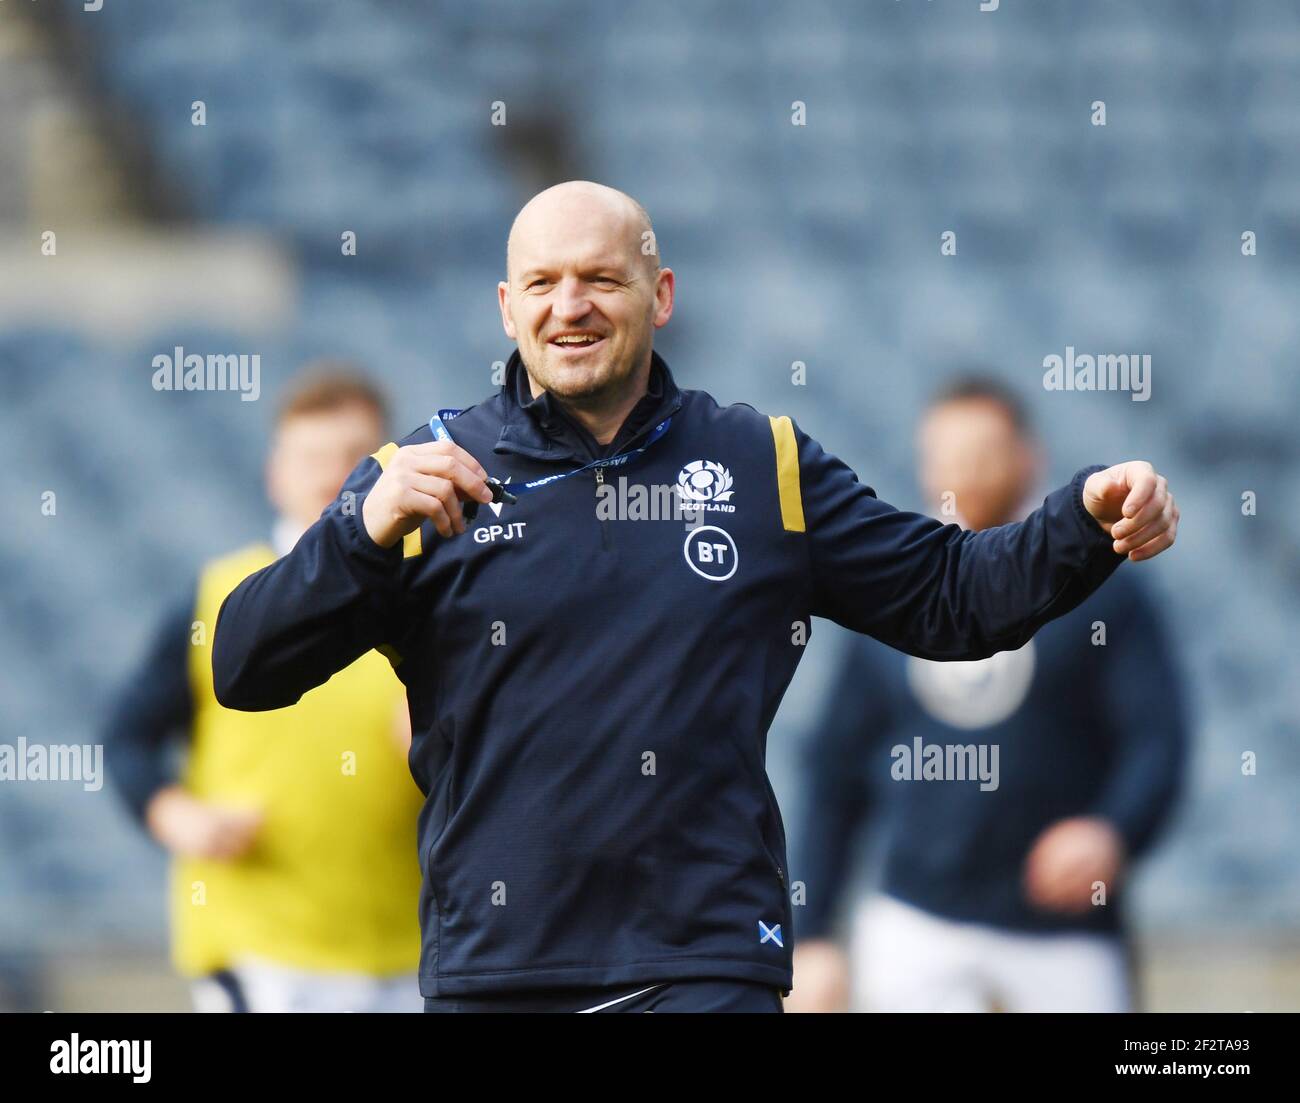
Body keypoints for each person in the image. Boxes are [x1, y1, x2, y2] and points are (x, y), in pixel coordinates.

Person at [212, 181, 1180, 1014]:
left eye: (600, 277)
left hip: (703, 961)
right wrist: (358, 532)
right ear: (506, 307)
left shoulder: (763, 465)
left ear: (659, 293)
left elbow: (951, 597)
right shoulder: (418, 474)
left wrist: (1085, 517)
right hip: (495, 966)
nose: (570, 307)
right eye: (543, 284)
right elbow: (245, 666)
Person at [787, 377, 1188, 1013]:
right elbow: (835, 773)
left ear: (1030, 457)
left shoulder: (1101, 588)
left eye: (982, 452)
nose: (963, 472)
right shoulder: (895, 586)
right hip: (919, 922)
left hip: (1063, 935)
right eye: (946, 455)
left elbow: (1157, 739)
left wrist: (1113, 832)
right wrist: (811, 938)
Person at [104, 369, 425, 1012]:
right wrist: (180, 816)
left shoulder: (426, 591)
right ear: (275, 471)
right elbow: (128, 738)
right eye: (310, 456)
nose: (330, 475)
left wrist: (442, 733)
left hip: (405, 953)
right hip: (261, 952)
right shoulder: (220, 597)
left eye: (351, 457)